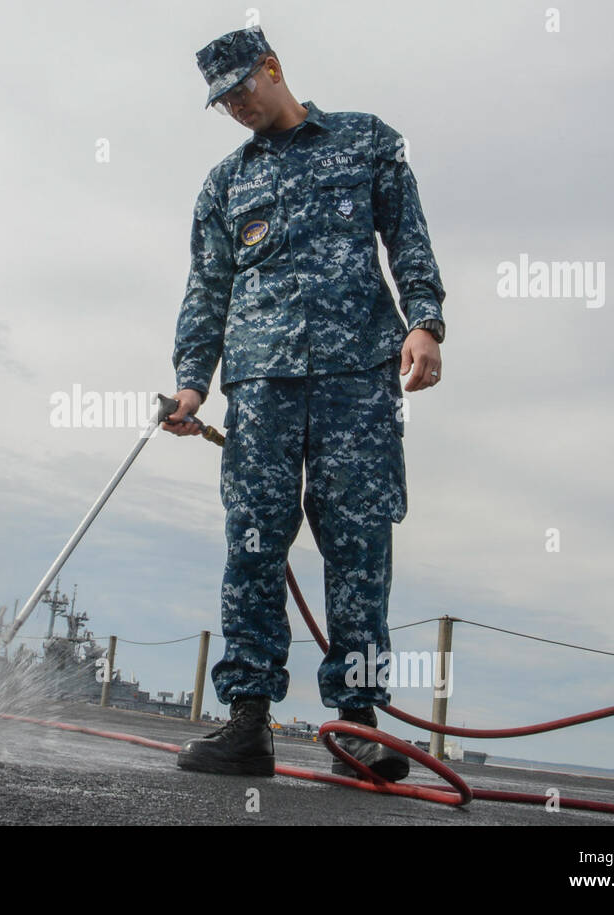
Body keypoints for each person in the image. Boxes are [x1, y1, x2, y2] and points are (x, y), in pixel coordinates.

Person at [166, 25, 446, 781]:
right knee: (253, 545)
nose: (234, 107)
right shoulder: (225, 185)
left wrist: (423, 321)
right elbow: (207, 290)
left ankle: (358, 726)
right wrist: (193, 380)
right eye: (220, 101)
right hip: (260, 390)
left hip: (359, 379)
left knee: (358, 548)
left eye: (241, 89)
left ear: (273, 67)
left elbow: (408, 239)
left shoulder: (367, 142)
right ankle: (247, 721)